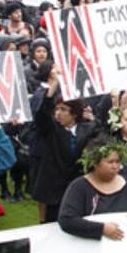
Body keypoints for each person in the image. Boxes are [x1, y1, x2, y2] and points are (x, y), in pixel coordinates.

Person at [32, 65, 98, 222]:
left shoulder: (87, 129)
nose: (58, 113)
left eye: (63, 109)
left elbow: (104, 133)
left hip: (78, 190)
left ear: (74, 114)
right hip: (54, 193)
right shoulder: (52, 130)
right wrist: (54, 84)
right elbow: (42, 114)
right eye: (57, 109)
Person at [58, 137, 127, 240]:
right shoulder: (79, 187)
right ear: (95, 163)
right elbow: (66, 220)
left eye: (118, 161)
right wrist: (102, 229)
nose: (115, 166)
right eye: (110, 162)